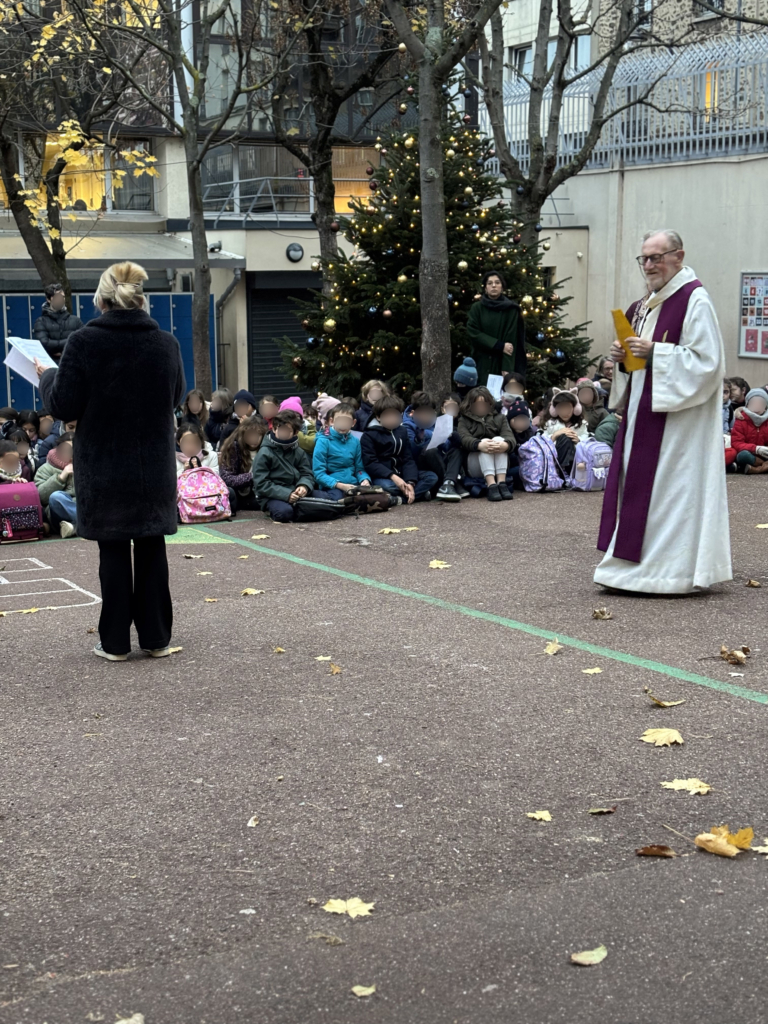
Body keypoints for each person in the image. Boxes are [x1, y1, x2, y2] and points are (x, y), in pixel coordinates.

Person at [38, 260, 185, 660]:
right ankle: (156, 638)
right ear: (141, 299)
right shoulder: (166, 343)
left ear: (101, 301)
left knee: (114, 550)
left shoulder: (84, 343)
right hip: (153, 463)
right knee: (152, 546)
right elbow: (175, 397)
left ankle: (116, 642)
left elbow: (63, 403)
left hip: (104, 463)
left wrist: (46, 375)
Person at [595, 229, 731, 594]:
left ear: (679, 256)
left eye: (657, 257)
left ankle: (669, 574)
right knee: (643, 490)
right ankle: (632, 566)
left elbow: (709, 364)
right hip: (645, 417)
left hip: (680, 424)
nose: (650, 265)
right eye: (645, 259)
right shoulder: (645, 305)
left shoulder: (694, 299)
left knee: (671, 493)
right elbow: (639, 369)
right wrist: (624, 361)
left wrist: (655, 352)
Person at [251, 410, 343, 522]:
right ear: (274, 429)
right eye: (281, 429)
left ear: (295, 433)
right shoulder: (265, 452)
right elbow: (261, 484)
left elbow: (307, 473)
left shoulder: (298, 451)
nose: (283, 433)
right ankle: (309, 510)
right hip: (273, 496)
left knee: (336, 497)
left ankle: (305, 508)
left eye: (287, 430)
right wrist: (286, 494)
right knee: (284, 513)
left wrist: (304, 486)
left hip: (297, 492)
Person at [361, 394, 437, 504]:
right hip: (384, 476)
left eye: (395, 415)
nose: (392, 418)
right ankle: (417, 494)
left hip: (402, 473)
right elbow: (371, 463)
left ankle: (401, 498)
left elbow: (408, 459)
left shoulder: (402, 431)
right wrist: (394, 477)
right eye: (387, 415)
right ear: (378, 417)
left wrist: (410, 482)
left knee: (431, 477)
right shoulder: (369, 435)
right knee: (388, 486)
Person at [466, 271, 527, 387]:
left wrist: (506, 367)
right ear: (485, 288)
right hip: (481, 360)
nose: (493, 285)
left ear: (502, 287)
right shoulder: (477, 308)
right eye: (490, 283)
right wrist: (499, 345)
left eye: (497, 283)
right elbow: (473, 332)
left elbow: (511, 340)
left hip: (500, 362)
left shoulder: (511, 310)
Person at [457, 386, 516, 501]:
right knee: (484, 442)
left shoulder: (500, 418)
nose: (481, 408)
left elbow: (510, 437)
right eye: (477, 405)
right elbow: (464, 438)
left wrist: (506, 445)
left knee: (499, 440)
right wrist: (479, 445)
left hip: (498, 462)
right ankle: (491, 485)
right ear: (470, 405)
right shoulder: (464, 420)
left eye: (484, 404)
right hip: (474, 463)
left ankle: (501, 483)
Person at [403, 391, 463, 502]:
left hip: (438, 458)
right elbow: (410, 451)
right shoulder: (408, 425)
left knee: (456, 451)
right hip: (421, 463)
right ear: (413, 413)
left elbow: (446, 445)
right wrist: (420, 439)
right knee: (430, 450)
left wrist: (446, 438)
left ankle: (448, 483)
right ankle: (451, 484)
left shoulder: (435, 421)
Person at [312, 403, 371, 497]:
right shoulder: (323, 441)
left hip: (352, 483)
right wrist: (341, 485)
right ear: (332, 421)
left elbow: (359, 469)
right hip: (332, 485)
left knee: (369, 497)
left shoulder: (355, 441)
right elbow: (319, 473)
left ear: (353, 423)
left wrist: (364, 479)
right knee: (339, 499)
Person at [219, 416, 267, 511]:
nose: (254, 439)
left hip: (260, 492)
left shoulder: (266, 449)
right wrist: (253, 476)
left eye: (258, 435)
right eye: (250, 435)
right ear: (243, 435)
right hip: (239, 494)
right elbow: (227, 478)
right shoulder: (233, 447)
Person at [34, 431, 77, 537]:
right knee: (56, 496)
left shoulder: (87, 465)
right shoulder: (45, 469)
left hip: (81, 506)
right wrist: (61, 477)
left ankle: (74, 527)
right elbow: (41, 497)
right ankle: (88, 523)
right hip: (57, 515)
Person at [539, 389, 589, 473]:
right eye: (561, 408)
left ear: (574, 408)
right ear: (554, 410)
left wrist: (578, 440)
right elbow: (540, 441)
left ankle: (567, 471)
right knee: (565, 437)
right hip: (554, 458)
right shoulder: (549, 424)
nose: (565, 411)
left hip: (576, 458)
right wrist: (554, 436)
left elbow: (587, 437)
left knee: (568, 438)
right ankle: (562, 470)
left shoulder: (581, 424)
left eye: (568, 407)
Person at [33, 283, 84, 362]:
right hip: (50, 366)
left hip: (71, 366)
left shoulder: (76, 321)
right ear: (49, 299)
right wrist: (70, 343)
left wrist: (57, 349)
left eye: (63, 297)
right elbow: (43, 344)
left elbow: (82, 341)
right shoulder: (41, 322)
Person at [730, 388, 768, 474]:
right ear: (747, 405)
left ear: (765, 406)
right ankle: (764, 466)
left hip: (765, 454)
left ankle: (755, 469)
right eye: (753, 402)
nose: (757, 405)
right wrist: (756, 449)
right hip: (750, 454)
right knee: (742, 456)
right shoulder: (741, 419)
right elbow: (736, 443)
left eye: (761, 403)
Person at [506, 397, 535, 489]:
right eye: (518, 419)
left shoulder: (531, 434)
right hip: (511, 468)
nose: (521, 422)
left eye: (524, 419)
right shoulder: (506, 434)